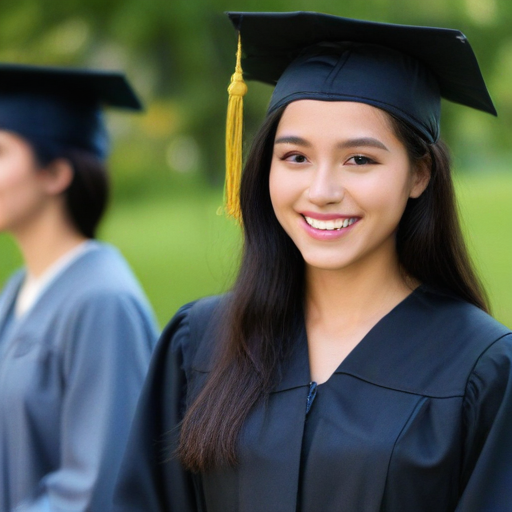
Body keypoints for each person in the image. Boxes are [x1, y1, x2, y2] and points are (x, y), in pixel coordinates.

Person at [113, 12, 512, 512]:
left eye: (359, 160)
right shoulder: (199, 341)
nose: (321, 192)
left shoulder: (480, 370)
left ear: (419, 174)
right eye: (295, 157)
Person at [0, 65, 159, 511]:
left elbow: (96, 490)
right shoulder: (19, 293)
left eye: (0, 151)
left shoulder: (101, 303)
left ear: (55, 174)